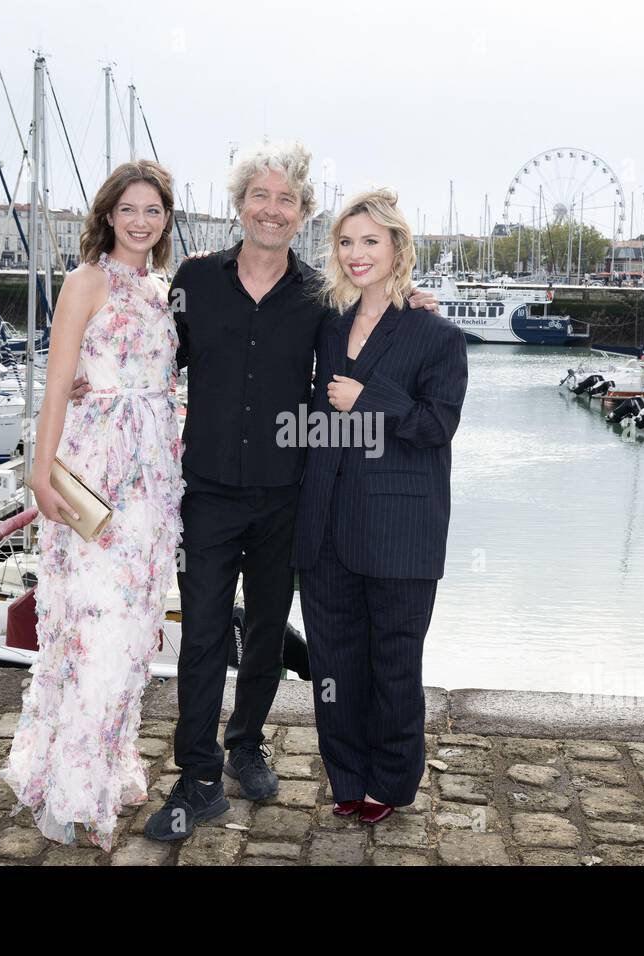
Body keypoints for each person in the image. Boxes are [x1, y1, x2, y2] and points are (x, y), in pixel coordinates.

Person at [71, 143, 438, 842]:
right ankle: (200, 774)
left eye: (287, 200)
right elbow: (149, 351)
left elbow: (371, 326)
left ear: (301, 214)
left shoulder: (319, 298)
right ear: (240, 205)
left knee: (267, 634)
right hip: (205, 490)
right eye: (260, 197)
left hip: (286, 494)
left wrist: (414, 302)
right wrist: (93, 373)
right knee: (204, 634)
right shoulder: (195, 282)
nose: (272, 210)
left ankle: (246, 744)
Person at [0, 160, 182, 852]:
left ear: (165, 219)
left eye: (153, 210)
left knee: (132, 635)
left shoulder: (163, 288)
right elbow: (56, 384)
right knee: (91, 630)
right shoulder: (83, 282)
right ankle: (72, 788)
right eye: (129, 209)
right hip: (94, 473)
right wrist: (40, 477)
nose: (140, 220)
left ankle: (104, 762)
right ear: (107, 215)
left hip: (155, 480)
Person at [292, 189, 468, 824]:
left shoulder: (437, 335)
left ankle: (390, 783)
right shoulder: (328, 327)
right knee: (334, 664)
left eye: (371, 240)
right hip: (326, 529)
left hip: (401, 531)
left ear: (397, 248)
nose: (357, 253)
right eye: (346, 241)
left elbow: (436, 427)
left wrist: (369, 397)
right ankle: (347, 773)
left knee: (394, 664)